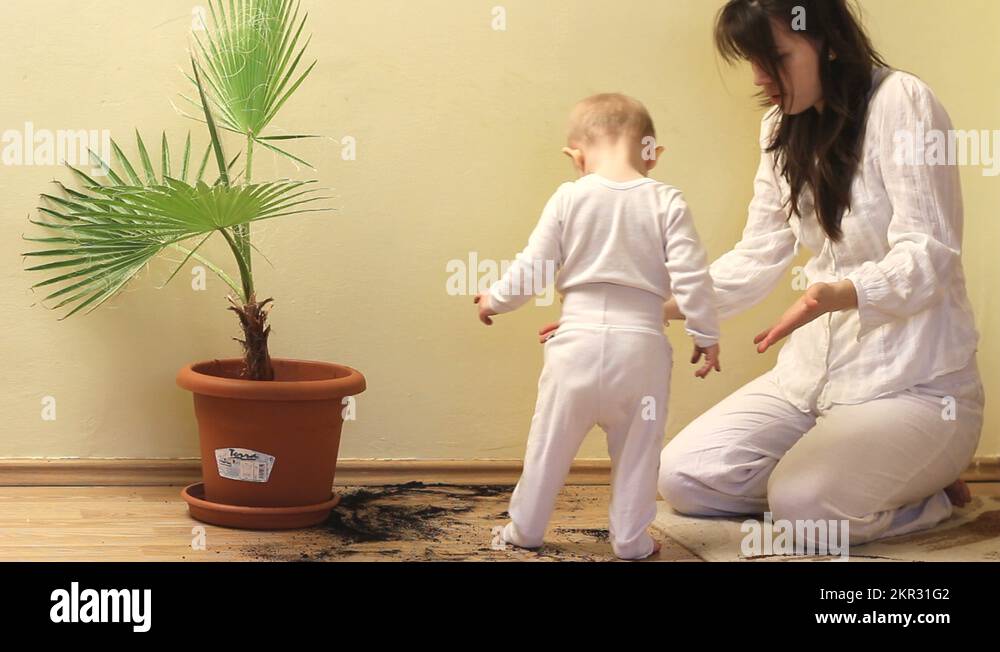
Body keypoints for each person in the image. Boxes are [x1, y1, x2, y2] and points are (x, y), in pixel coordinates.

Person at [542, 0, 984, 549]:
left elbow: (931, 254)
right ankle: (870, 479)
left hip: (913, 383)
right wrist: (644, 306)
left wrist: (841, 292)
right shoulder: (780, 125)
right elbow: (756, 255)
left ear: (827, 40)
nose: (759, 78)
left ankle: (926, 492)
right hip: (811, 378)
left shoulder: (901, 102)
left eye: (774, 57)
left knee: (804, 509)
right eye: (751, 60)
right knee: (682, 476)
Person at [474, 93, 721, 559]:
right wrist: (705, 335)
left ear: (576, 155)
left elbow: (534, 266)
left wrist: (495, 300)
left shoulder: (569, 196)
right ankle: (631, 540)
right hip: (643, 351)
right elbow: (693, 277)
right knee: (639, 450)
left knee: (548, 442)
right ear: (653, 152)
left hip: (576, 348)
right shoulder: (667, 200)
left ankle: (525, 528)